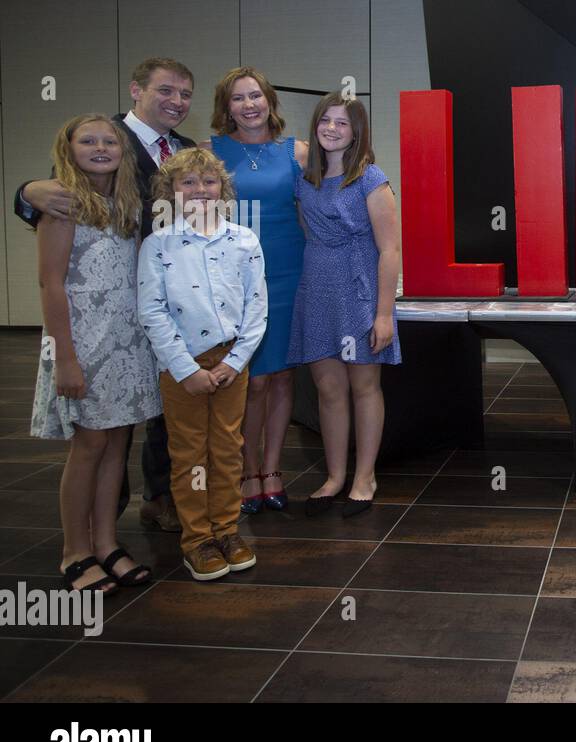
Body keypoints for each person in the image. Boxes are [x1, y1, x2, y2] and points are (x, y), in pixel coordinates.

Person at [15, 57, 198, 533]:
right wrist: (25, 191)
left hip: (161, 301)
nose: (176, 101)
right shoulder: (106, 137)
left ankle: (156, 498)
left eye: (184, 94)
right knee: (99, 435)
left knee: (154, 413)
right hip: (95, 319)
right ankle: (94, 531)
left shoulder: (186, 150)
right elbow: (54, 195)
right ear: (136, 91)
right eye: (166, 90)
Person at [32, 114, 163, 593]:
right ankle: (75, 550)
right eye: (88, 140)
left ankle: (107, 542)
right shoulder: (62, 205)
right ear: (68, 148)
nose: (100, 146)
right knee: (88, 445)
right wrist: (64, 357)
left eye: (110, 140)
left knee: (117, 446)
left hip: (127, 343)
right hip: (82, 344)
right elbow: (50, 284)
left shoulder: (126, 204)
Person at [137, 148, 267, 581]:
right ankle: (197, 538)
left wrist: (235, 360)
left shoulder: (244, 239)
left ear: (223, 188)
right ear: (171, 191)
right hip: (183, 365)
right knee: (190, 453)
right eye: (187, 182)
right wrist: (184, 368)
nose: (200, 191)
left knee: (229, 449)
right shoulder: (158, 244)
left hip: (232, 361)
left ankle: (227, 529)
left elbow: (256, 308)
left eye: (208, 182)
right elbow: (152, 311)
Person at [286, 92, 401, 518]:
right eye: (325, 121)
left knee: (363, 387)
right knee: (328, 389)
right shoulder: (305, 178)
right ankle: (334, 476)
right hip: (315, 289)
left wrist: (384, 313)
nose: (332, 128)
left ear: (356, 133)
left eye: (343, 123)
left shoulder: (370, 179)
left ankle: (364, 477)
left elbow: (390, 250)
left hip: (358, 292)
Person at [203, 67, 307, 514]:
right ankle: (245, 472)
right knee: (253, 380)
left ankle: (273, 471)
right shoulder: (210, 152)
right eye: (238, 98)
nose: (249, 105)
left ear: (270, 101)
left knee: (283, 376)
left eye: (256, 96)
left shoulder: (298, 151)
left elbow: (315, 208)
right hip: (234, 277)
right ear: (226, 107)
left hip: (289, 270)